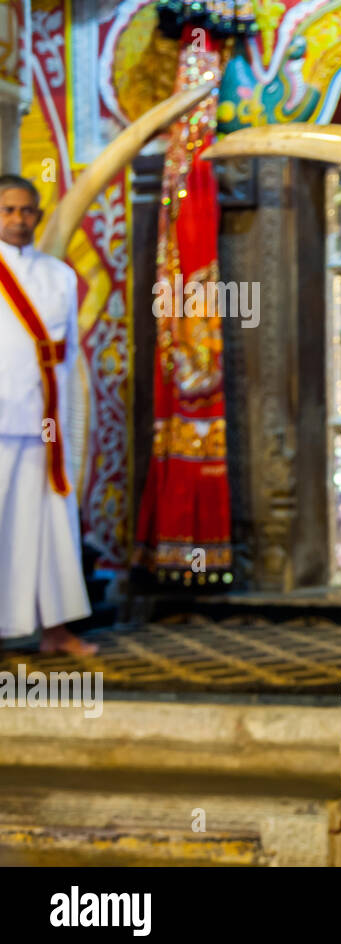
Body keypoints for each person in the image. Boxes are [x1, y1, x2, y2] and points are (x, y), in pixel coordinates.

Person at [0, 174, 96, 655]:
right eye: (8, 210)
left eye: (26, 210)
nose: (19, 220)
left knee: (51, 525)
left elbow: (72, 355)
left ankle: (55, 631)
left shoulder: (59, 275)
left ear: (38, 214)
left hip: (47, 419)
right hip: (0, 419)